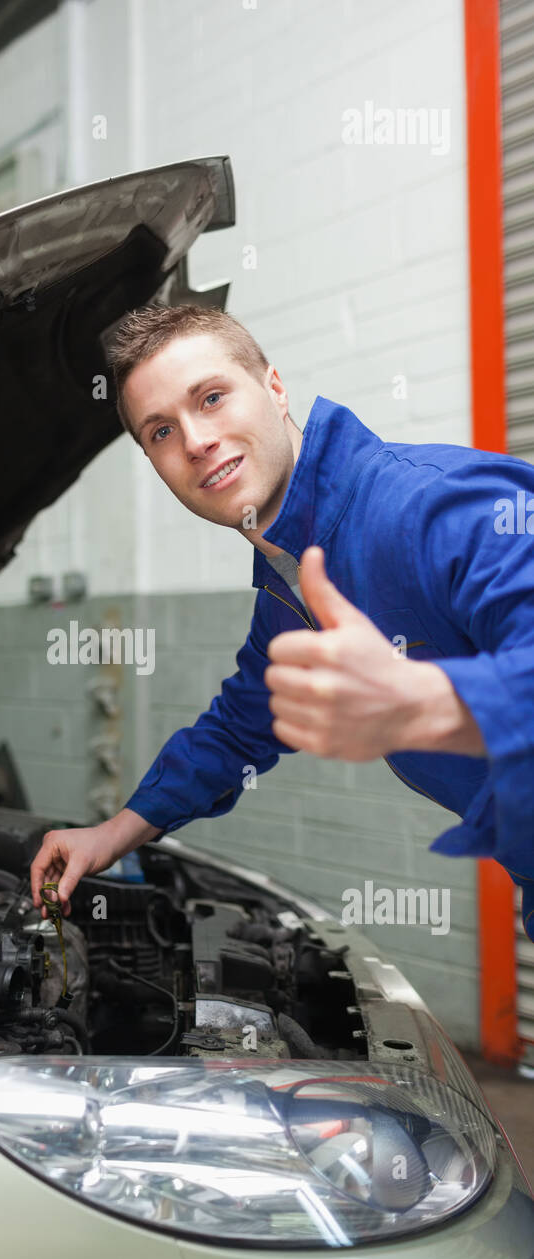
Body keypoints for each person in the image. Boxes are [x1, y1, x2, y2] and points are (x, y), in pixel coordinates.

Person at [29, 303, 534, 941]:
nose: (195, 440)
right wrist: (113, 833)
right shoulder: (289, 583)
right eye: (160, 431)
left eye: (211, 397)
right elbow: (240, 729)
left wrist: (435, 702)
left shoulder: (438, 509)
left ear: (274, 385)